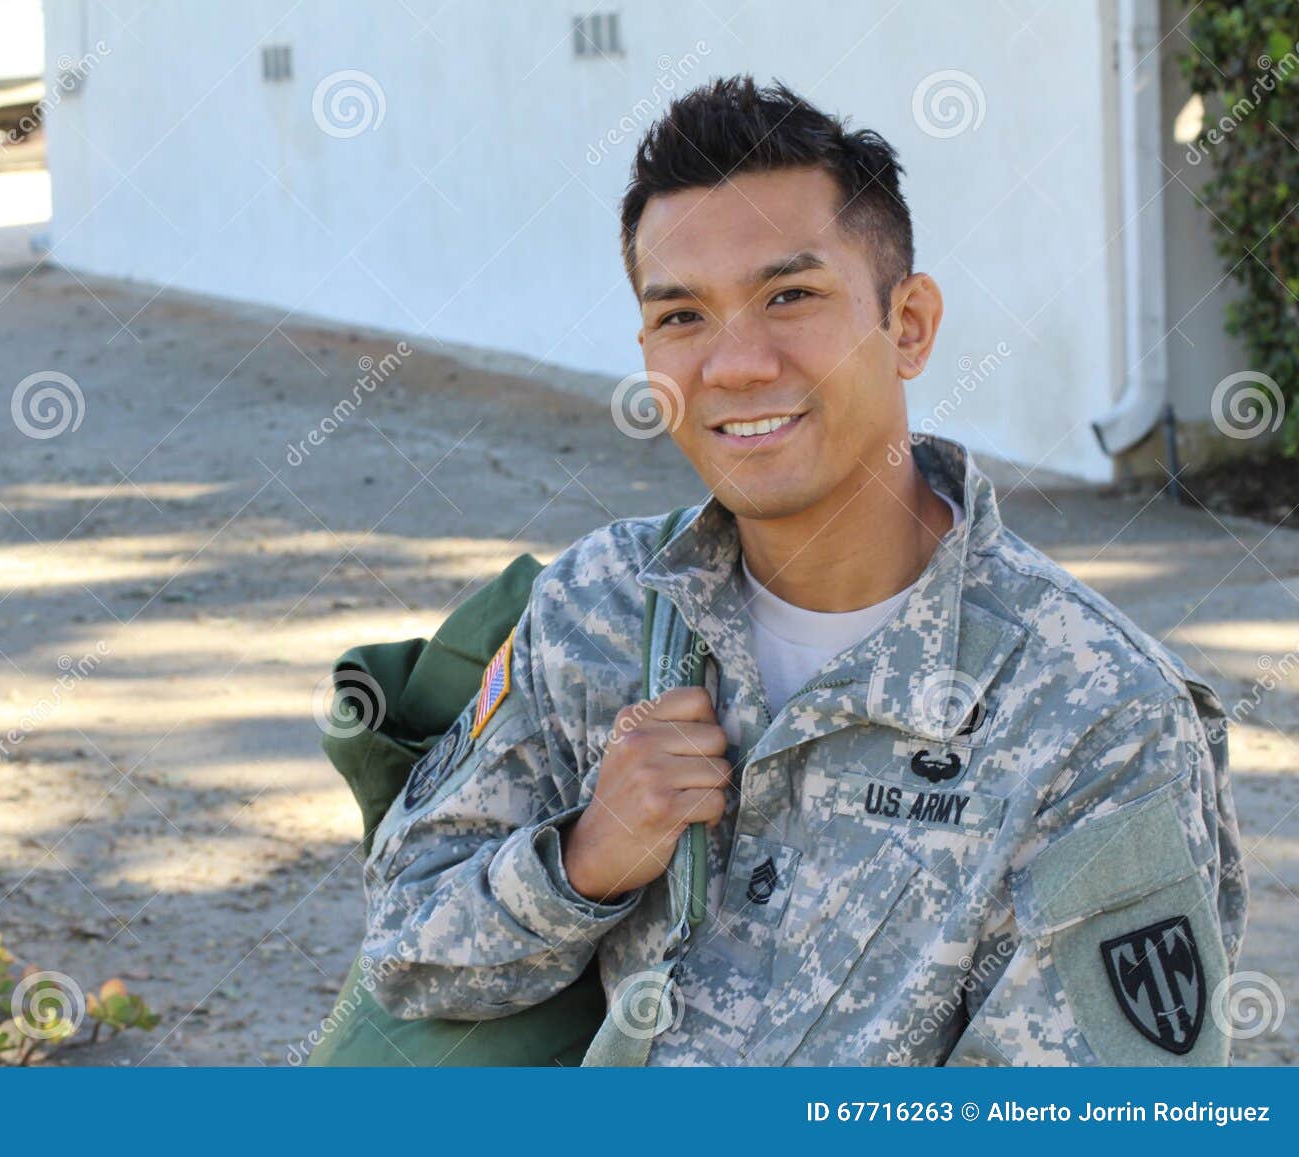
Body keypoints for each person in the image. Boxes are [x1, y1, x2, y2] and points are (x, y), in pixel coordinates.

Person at [359, 76, 1246, 1065]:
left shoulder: (1094, 714)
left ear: (906, 325)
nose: (733, 364)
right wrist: (587, 858)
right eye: (682, 316)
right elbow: (405, 952)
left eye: (790, 295)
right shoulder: (598, 607)